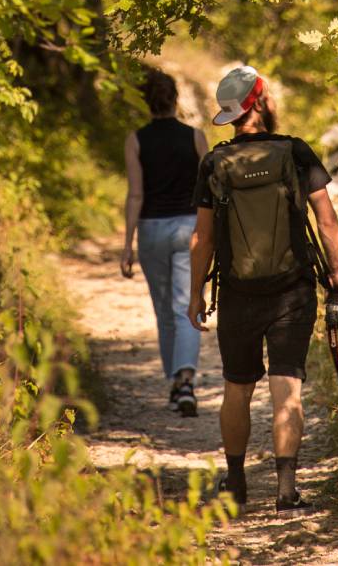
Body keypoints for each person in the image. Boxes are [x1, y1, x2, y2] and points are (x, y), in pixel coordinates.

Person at [187, 64, 338, 516]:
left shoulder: (215, 162)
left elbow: (202, 238)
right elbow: (328, 220)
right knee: (287, 385)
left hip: (237, 292)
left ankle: (235, 485)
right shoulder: (295, 153)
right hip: (292, 289)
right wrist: (337, 275)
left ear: (233, 114)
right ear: (261, 102)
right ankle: (285, 490)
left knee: (236, 387)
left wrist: (196, 293)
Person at [121, 67, 209, 416]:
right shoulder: (196, 137)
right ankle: (186, 380)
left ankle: (174, 381)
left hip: (152, 229)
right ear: (175, 99)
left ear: (147, 102)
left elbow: (135, 194)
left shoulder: (136, 140)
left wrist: (127, 244)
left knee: (164, 311)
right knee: (185, 304)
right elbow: (209, 189)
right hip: (190, 228)